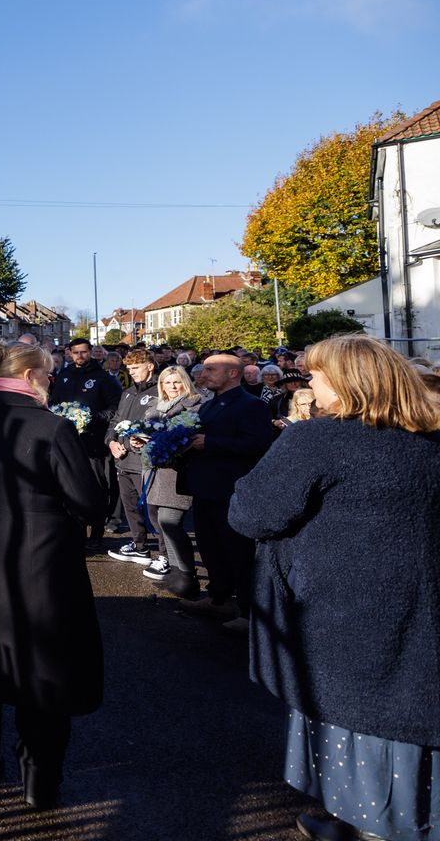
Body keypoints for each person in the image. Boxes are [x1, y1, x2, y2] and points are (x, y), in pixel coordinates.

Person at [231, 336, 440, 841]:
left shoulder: (318, 439)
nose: (310, 385)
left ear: (346, 382)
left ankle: (370, 826)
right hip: (420, 603)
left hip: (346, 610)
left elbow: (252, 514)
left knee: (361, 726)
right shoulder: (429, 437)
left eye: (317, 376)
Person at [0, 341, 106, 810]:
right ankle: (39, 783)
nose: (52, 383)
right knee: (42, 667)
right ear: (33, 376)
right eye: (48, 375)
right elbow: (90, 502)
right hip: (42, 559)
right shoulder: (52, 427)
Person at [176, 353, 276, 630]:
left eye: (210, 369)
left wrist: (211, 442)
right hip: (204, 489)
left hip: (230, 491)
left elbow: (257, 445)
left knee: (238, 553)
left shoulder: (251, 406)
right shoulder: (208, 404)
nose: (203, 374)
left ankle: (247, 612)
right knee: (211, 548)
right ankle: (218, 599)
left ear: (233, 373)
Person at [137, 365, 205, 597]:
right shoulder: (154, 407)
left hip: (178, 473)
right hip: (155, 472)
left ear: (185, 382)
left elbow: (190, 439)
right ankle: (177, 573)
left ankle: (187, 576)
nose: (173, 387)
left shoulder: (197, 404)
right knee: (160, 523)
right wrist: (137, 441)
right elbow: (145, 433)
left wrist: (166, 446)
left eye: (177, 382)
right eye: (167, 382)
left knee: (169, 521)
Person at [48, 339, 123, 540]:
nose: (80, 356)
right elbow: (54, 403)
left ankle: (97, 531)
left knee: (97, 486)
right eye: (76, 352)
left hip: (94, 442)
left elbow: (115, 408)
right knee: (69, 484)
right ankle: (76, 530)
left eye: (84, 352)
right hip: (67, 442)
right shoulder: (64, 375)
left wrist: (90, 419)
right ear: (69, 353)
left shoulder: (103, 378)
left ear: (91, 352)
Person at [104, 350, 161, 565]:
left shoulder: (160, 391)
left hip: (145, 461)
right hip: (123, 460)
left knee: (153, 511)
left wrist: (133, 441)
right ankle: (140, 547)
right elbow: (115, 421)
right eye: (129, 368)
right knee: (130, 507)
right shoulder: (127, 392)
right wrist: (111, 442)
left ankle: (166, 555)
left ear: (150, 366)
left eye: (135, 368)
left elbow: (159, 425)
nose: (131, 372)